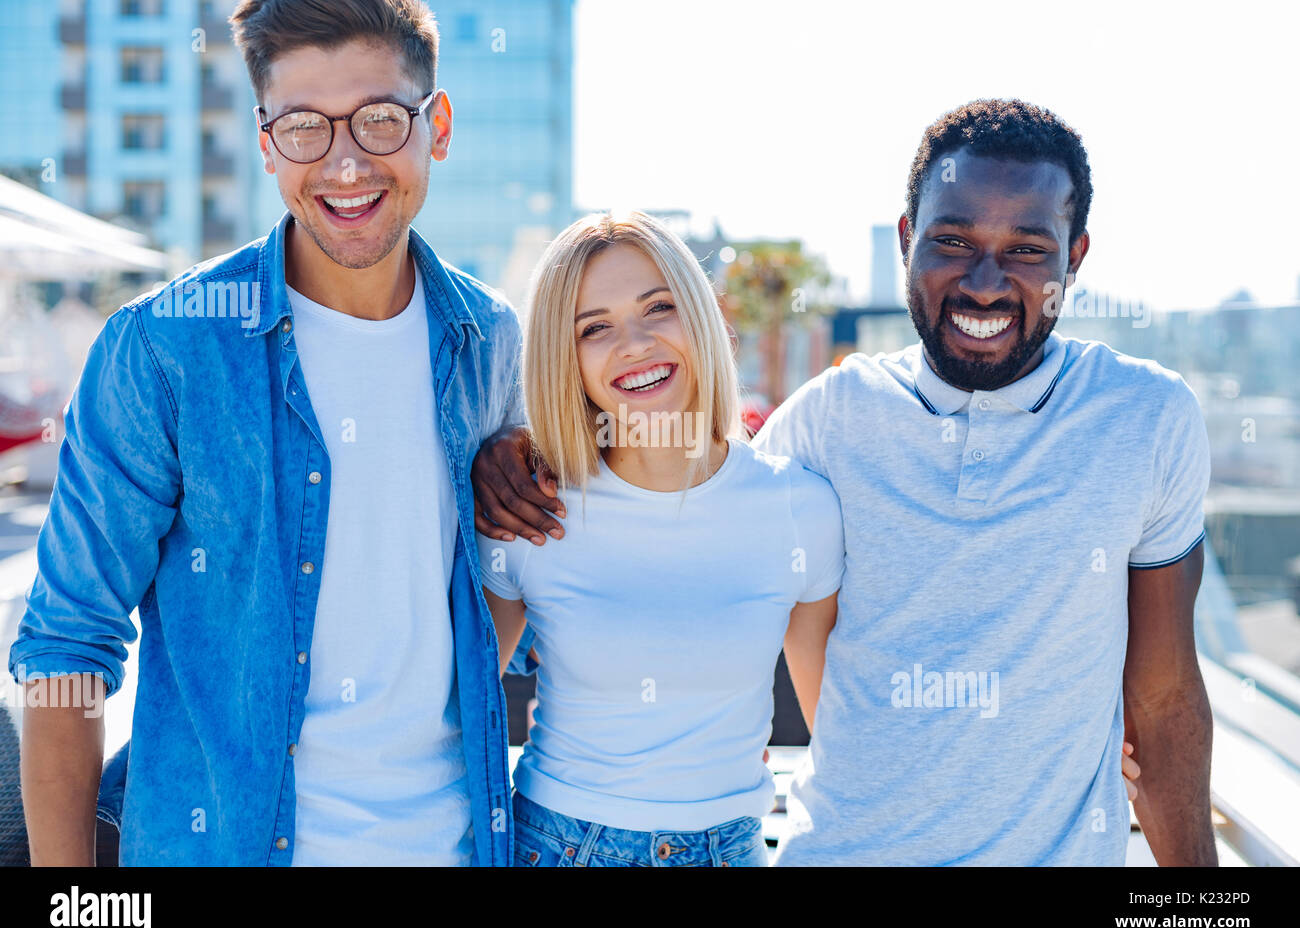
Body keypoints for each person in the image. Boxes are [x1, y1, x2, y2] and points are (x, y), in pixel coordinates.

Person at [473, 99, 1198, 866]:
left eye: (1025, 249)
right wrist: (511, 447)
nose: (985, 282)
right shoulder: (815, 429)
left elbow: (1162, 698)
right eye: (953, 240)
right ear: (907, 243)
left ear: (1074, 257)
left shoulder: (1144, 418)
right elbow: (467, 713)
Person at [8, 0, 522, 866]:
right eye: (304, 128)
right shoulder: (164, 347)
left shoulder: (490, 340)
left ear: (436, 125)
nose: (346, 162)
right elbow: (67, 641)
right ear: (264, 142)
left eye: (379, 119)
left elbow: (492, 596)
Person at [476, 211, 844, 867]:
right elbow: (454, 707)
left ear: (699, 317)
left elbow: (840, 741)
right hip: (558, 847)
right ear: (567, 357)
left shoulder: (799, 510)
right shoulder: (532, 512)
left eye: (658, 308)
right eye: (595, 328)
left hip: (730, 849)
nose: (636, 343)